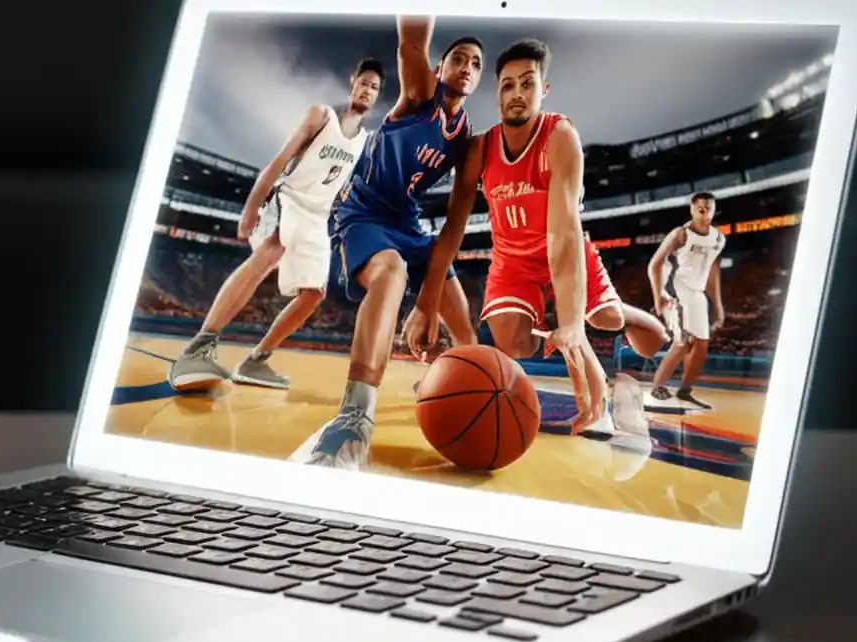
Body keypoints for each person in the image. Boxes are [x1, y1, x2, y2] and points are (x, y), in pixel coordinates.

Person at [405, 38, 668, 436]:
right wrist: (426, 305)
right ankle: (562, 329)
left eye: (527, 84)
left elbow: (563, 236)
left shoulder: (560, 136)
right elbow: (453, 230)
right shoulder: (480, 148)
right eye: (507, 85)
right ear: (497, 93)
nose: (516, 93)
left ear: (543, 90)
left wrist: (575, 326)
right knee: (511, 342)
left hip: (564, 250)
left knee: (610, 321)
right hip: (512, 260)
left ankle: (619, 312)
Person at [298, 16, 483, 470]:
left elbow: (456, 224)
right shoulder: (422, 92)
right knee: (392, 271)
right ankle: (355, 414)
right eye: (458, 58)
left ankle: (474, 396)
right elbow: (411, 40)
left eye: (476, 63)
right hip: (363, 211)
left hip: (408, 220)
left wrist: (429, 301)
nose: (467, 66)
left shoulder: (466, 139)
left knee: (466, 334)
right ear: (439, 68)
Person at [167, 58, 385, 391]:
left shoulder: (364, 141)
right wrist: (252, 207)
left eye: (374, 87)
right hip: (290, 199)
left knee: (314, 294)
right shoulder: (321, 116)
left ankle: (256, 361)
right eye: (364, 82)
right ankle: (197, 347)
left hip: (318, 216)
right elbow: (278, 162)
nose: (367, 90)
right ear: (353, 81)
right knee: (268, 253)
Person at [648, 192, 727, 409]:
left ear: (714, 209)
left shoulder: (719, 239)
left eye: (709, 209)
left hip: (698, 293)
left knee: (701, 346)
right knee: (683, 341)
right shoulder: (681, 234)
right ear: (692, 210)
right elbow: (654, 264)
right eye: (701, 209)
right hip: (677, 289)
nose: (705, 213)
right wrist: (658, 296)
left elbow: (713, 273)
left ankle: (685, 391)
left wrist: (718, 305)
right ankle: (658, 386)